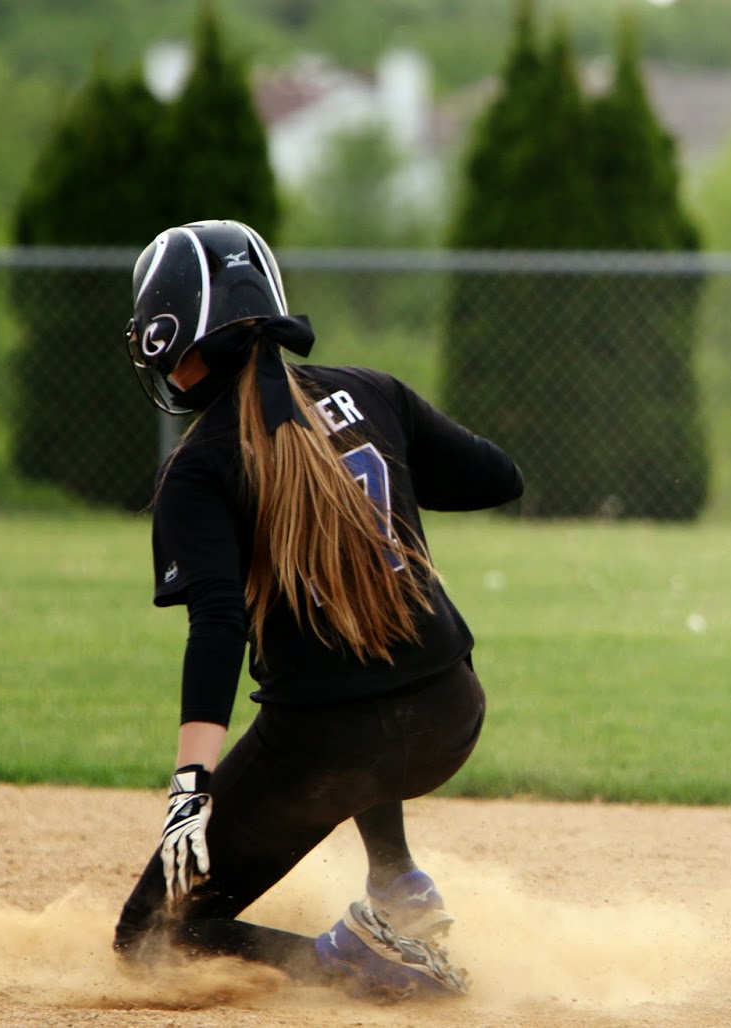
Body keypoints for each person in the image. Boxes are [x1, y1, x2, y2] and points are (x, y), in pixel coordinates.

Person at [114, 219, 524, 1002]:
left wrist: (190, 789)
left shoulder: (200, 465)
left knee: (149, 937)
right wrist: (379, 468)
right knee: (361, 660)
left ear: (181, 337)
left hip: (332, 750)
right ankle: (397, 879)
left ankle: (354, 962)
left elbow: (219, 626)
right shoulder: (371, 391)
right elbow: (498, 477)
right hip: (451, 715)